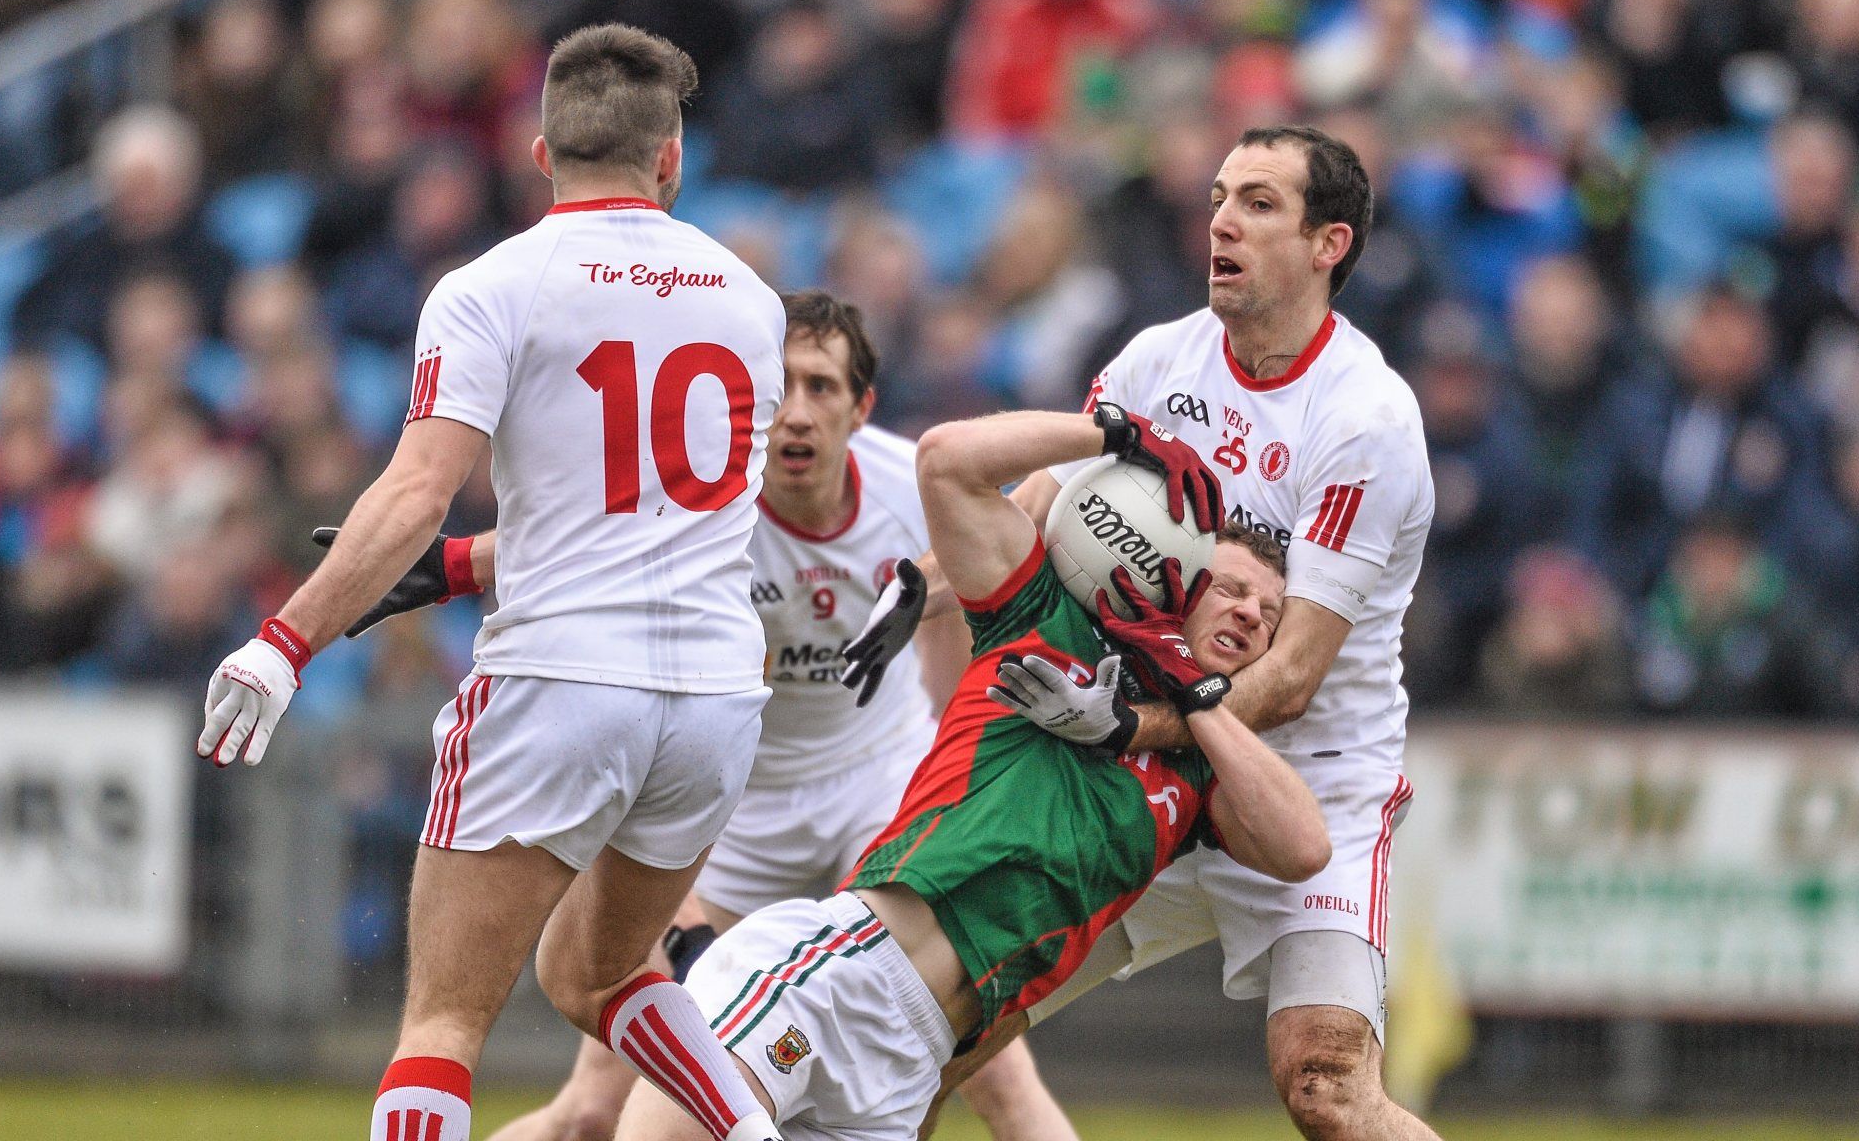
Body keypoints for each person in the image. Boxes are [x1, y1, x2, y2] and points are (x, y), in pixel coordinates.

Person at [194, 25, 790, 1141]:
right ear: (670, 160)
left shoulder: (491, 286)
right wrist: (465, 568)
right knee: (600, 975)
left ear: (538, 154)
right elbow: (655, 521)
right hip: (712, 699)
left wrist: (285, 640)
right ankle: (752, 1130)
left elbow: (418, 490)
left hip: (560, 679)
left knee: (443, 1020)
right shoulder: (751, 303)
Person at [843, 125, 1440, 1141]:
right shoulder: (1160, 357)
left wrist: (1130, 726)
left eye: (1257, 202)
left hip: (1300, 782)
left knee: (1327, 1087)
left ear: (1327, 243)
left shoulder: (1364, 421)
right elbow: (1047, 499)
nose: (1219, 219)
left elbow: (1290, 673)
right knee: (931, 1041)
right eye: (1216, 195)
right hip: (1141, 774)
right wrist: (922, 586)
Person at [361, 292, 1072, 1141]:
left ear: (862, 406)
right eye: (784, 389)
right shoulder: (707, 495)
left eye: (822, 387)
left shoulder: (913, 486)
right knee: (593, 1110)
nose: (799, 414)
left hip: (876, 786)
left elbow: (997, 577)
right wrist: (445, 564)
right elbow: (580, 550)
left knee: (981, 1074)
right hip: (731, 809)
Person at [618, 403, 1328, 1141]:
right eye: (1233, 590)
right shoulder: (1050, 624)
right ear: (1168, 581)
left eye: (1270, 615)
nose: (1252, 615)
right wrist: (1121, 433)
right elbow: (947, 460)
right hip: (838, 973)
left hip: (912, 1063)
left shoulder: (1203, 776)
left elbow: (1303, 848)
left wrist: (1197, 695)